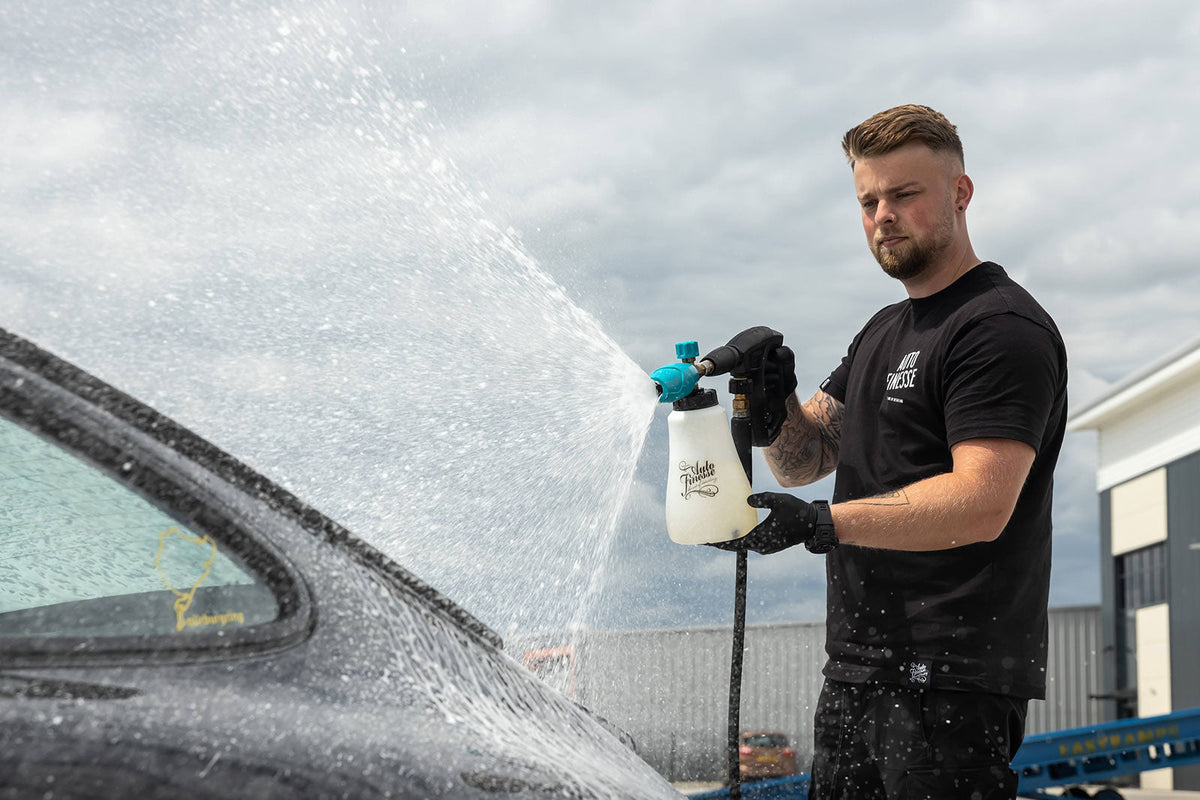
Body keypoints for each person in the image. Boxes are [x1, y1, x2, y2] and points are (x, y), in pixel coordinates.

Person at [719, 105, 1068, 799]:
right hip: (855, 668)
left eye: (904, 195)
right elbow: (805, 459)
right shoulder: (883, 329)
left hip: (949, 677)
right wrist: (772, 405)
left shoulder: (998, 327)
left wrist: (822, 523)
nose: (883, 214)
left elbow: (981, 503)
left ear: (960, 194)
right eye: (868, 200)